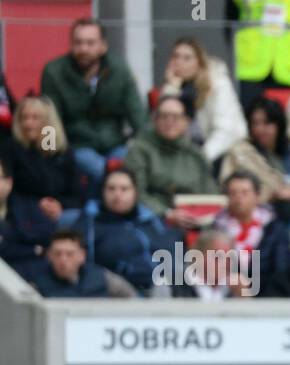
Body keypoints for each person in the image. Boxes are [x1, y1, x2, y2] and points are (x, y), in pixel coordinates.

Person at [40, 18, 147, 187]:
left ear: (103, 45)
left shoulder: (119, 69)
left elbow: (137, 115)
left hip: (116, 143)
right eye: (78, 43)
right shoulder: (54, 71)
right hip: (76, 145)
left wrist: (147, 150)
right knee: (104, 171)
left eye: (90, 43)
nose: (83, 49)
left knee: (131, 165)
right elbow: (50, 119)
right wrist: (49, 153)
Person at [219, 95, 290, 217]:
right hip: (257, 214)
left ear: (279, 125)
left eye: (266, 123)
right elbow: (226, 186)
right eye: (255, 123)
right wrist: (269, 195)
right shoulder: (238, 153)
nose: (259, 129)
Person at [72, 167, 180, 296]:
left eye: (124, 189)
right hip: (115, 291)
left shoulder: (151, 220)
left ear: (135, 193)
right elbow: (83, 264)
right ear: (102, 192)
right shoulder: (89, 222)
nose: (117, 194)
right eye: (111, 189)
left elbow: (171, 252)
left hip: (156, 285)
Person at [124, 96, 219, 227]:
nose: (170, 121)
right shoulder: (140, 151)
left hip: (197, 221)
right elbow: (137, 193)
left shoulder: (197, 155)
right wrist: (167, 213)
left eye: (176, 117)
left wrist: (203, 217)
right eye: (164, 116)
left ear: (186, 121)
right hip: (155, 220)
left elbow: (211, 195)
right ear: (155, 120)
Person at [156, 37, 246, 164]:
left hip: (220, 152)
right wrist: (172, 89)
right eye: (175, 57)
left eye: (187, 58)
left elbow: (226, 132)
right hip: (185, 152)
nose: (179, 62)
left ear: (199, 62)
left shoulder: (218, 83)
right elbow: (162, 128)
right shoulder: (173, 86)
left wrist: (200, 159)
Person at [3, 97, 81, 222]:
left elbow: (77, 194)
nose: (28, 124)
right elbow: (8, 191)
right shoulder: (11, 149)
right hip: (24, 213)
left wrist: (60, 204)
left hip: (62, 213)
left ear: (49, 122)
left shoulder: (62, 152)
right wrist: (38, 205)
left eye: (35, 118)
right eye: (24, 118)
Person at [210, 171, 290, 287]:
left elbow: (281, 267)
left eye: (244, 193)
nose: (238, 198)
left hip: (267, 293)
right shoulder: (215, 229)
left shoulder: (275, 228)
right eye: (233, 193)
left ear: (257, 196)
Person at [29, 228, 135, 299]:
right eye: (57, 254)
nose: (63, 259)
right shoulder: (37, 286)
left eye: (69, 254)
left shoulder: (102, 278)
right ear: (49, 256)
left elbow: (131, 299)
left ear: (82, 255)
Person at [0, 158, 58, 281]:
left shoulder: (27, 207)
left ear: (9, 182)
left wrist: (8, 240)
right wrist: (33, 250)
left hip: (30, 274)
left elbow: (49, 235)